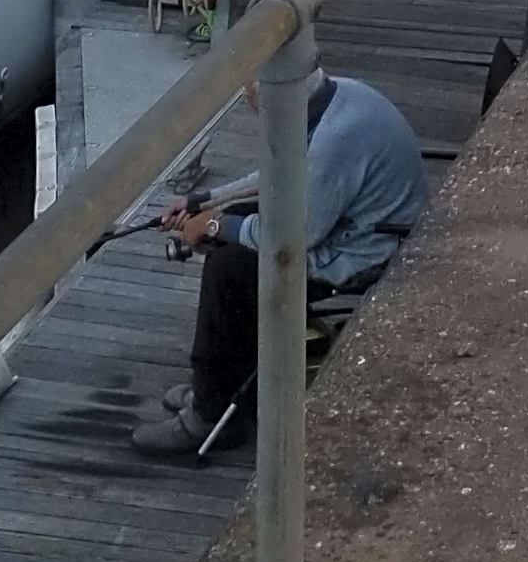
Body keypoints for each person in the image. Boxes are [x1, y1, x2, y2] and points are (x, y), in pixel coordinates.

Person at [131, 67, 431, 456]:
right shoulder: (335, 98)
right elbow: (280, 174)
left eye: (254, 102)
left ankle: (211, 416)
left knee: (231, 270)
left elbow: (293, 238)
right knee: (238, 222)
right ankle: (222, 383)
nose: (252, 109)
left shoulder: (335, 141)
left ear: (280, 102)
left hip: (366, 249)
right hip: (347, 219)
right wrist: (205, 202)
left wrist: (217, 224)